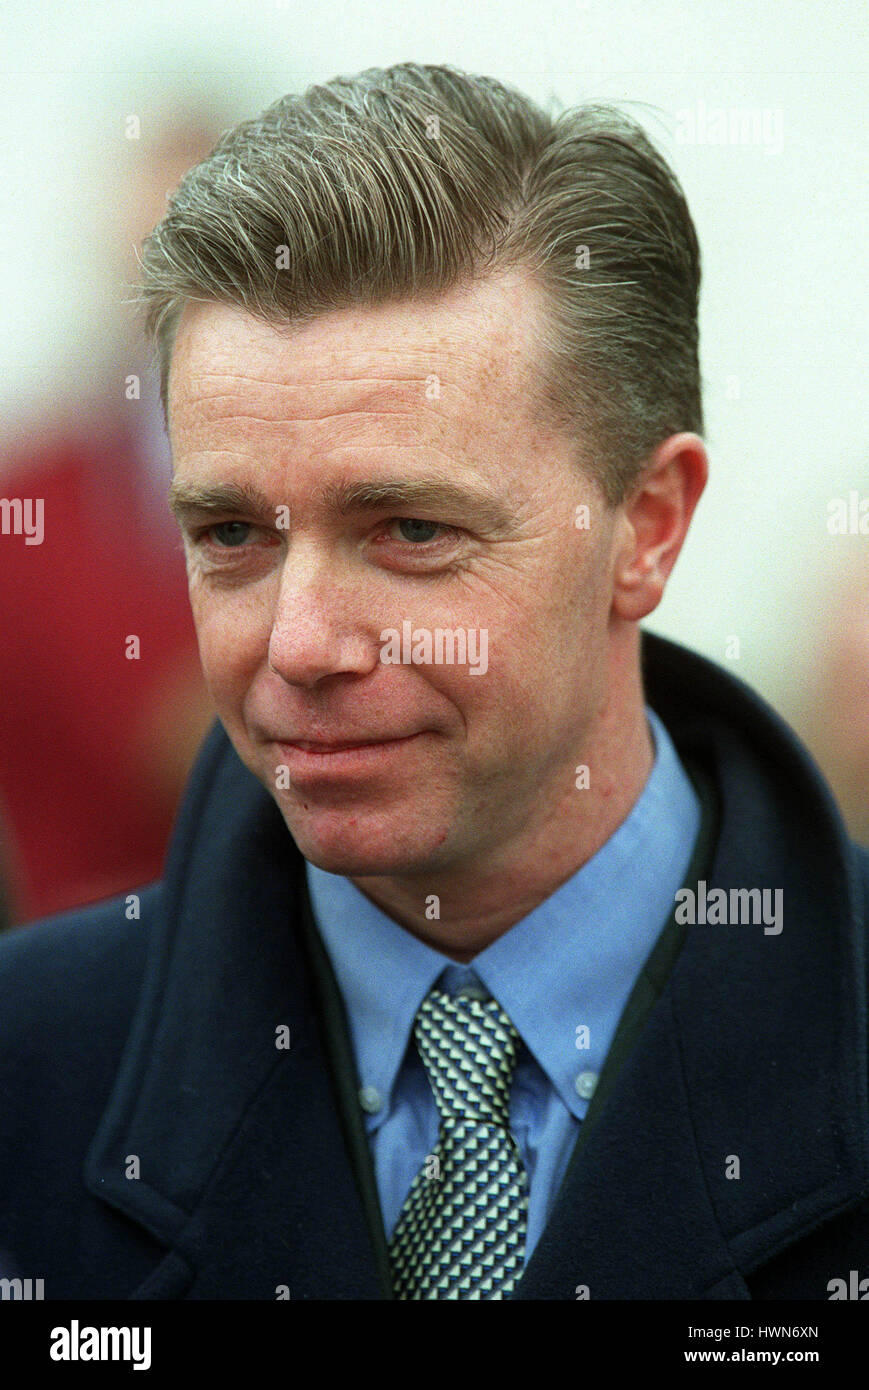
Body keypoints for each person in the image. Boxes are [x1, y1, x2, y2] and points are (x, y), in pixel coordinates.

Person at [0, 62, 866, 1302]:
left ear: (648, 528)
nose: (297, 643)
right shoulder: (26, 1075)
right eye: (231, 535)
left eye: (409, 531)